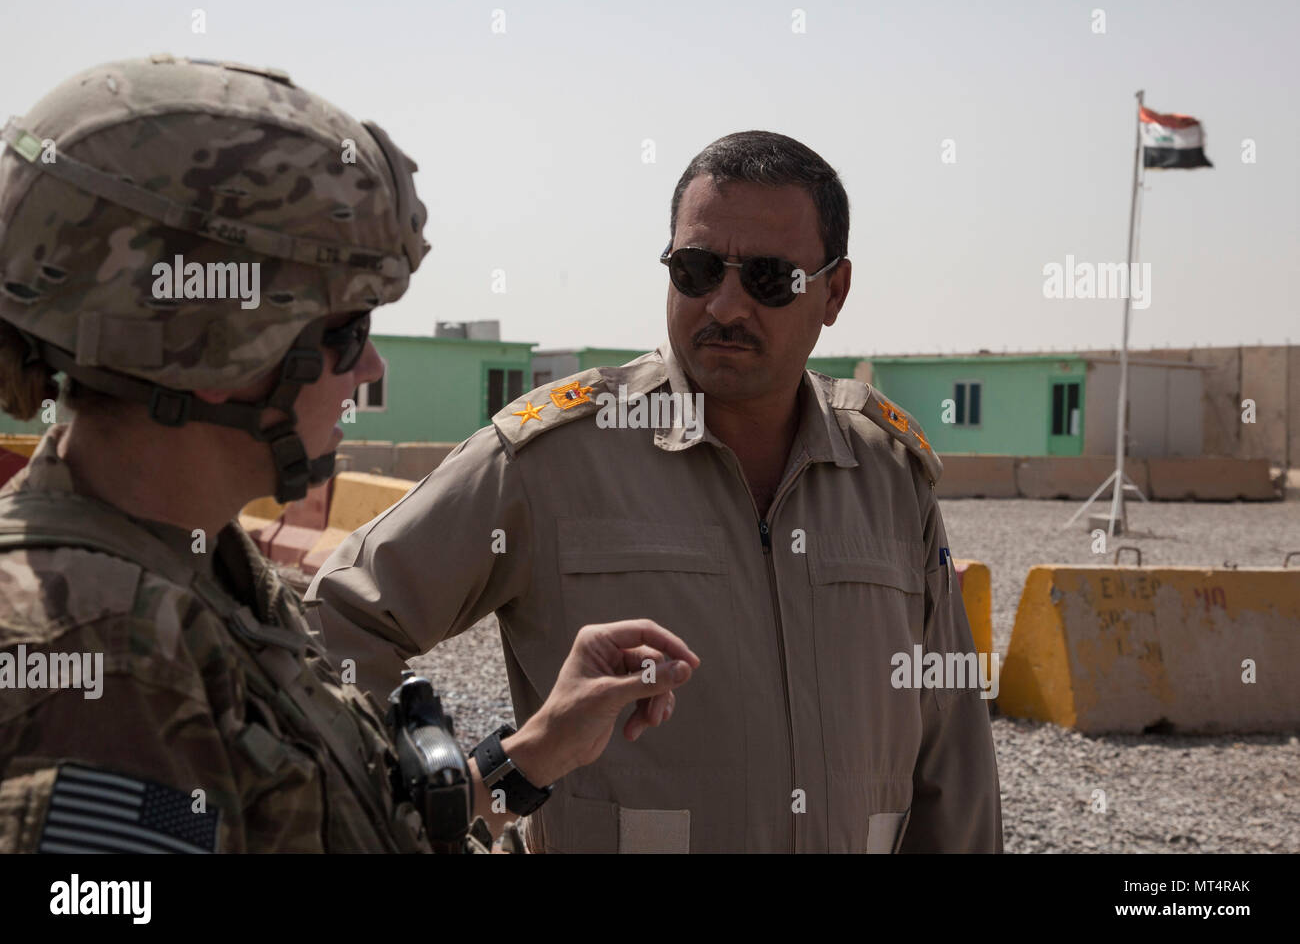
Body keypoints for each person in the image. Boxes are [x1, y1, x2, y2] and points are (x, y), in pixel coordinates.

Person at [0, 55, 698, 854]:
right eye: (347, 334)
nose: (371, 372)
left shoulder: (201, 570)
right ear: (218, 348)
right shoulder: (92, 663)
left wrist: (541, 747)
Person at [307, 130, 1003, 853]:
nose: (725, 305)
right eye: (697, 270)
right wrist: (456, 797)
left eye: (768, 279)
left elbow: (951, 755)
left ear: (834, 291)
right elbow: (340, 623)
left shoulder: (889, 476)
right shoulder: (558, 457)